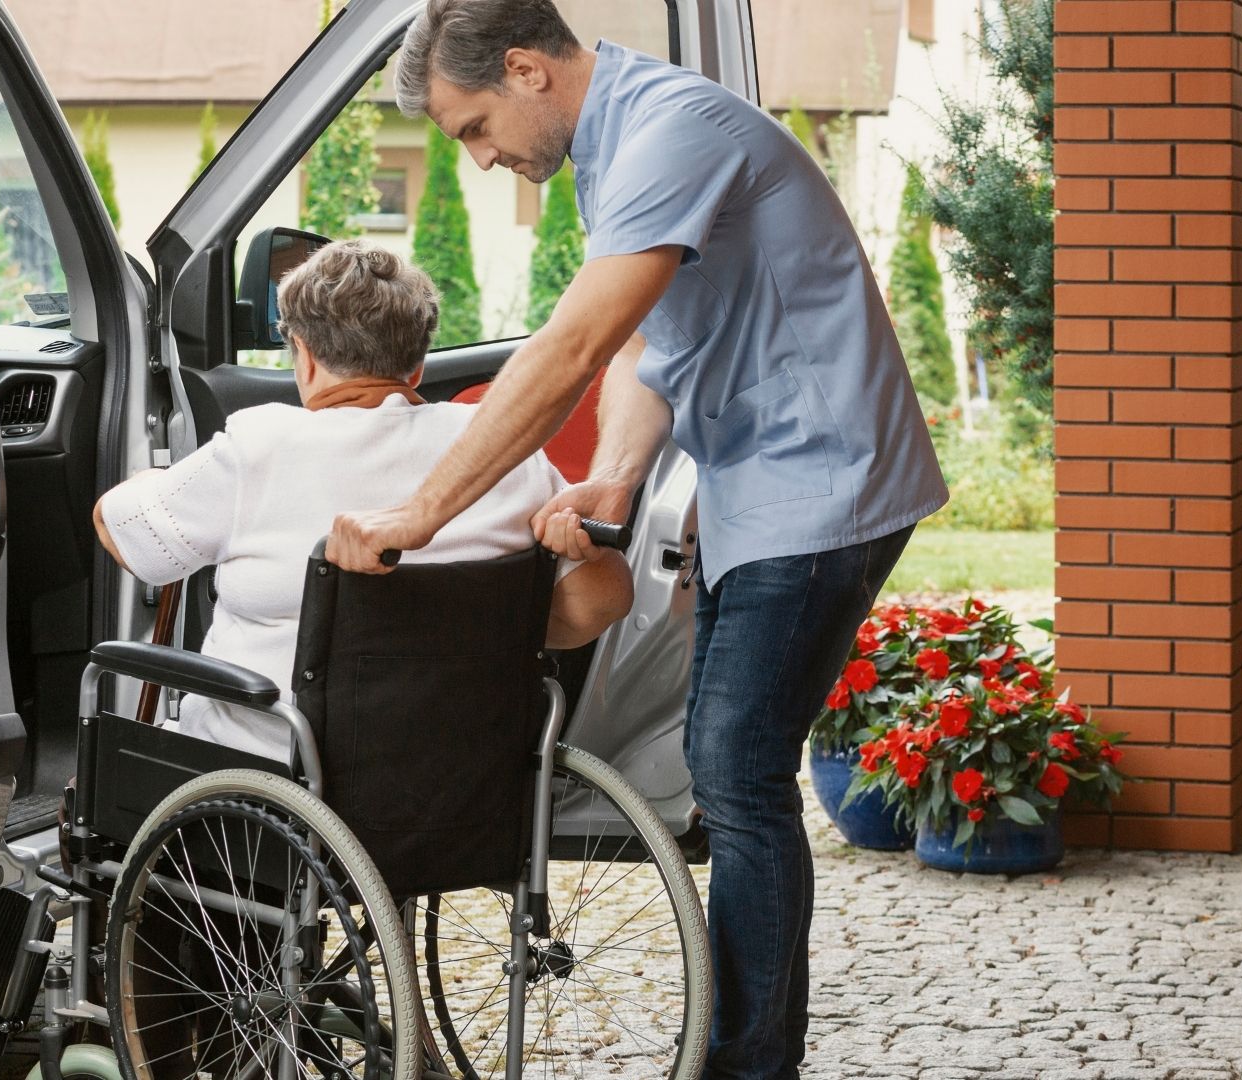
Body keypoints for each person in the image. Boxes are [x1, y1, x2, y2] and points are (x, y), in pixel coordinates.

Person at [324, 4, 948, 1077]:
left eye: (472, 128)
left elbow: (575, 342)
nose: (479, 161)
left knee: (737, 774)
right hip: (765, 478)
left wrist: (418, 513)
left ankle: (749, 1063)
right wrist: (615, 472)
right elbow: (651, 348)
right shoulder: (613, 152)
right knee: (733, 769)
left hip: (821, 481)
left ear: (526, 70)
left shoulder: (669, 131)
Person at [94, 239, 633, 760]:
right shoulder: (504, 452)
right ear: (416, 366)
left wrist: (145, 482)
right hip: (458, 784)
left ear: (302, 357)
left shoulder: (257, 448)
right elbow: (594, 605)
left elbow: (123, 534)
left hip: (267, 787)